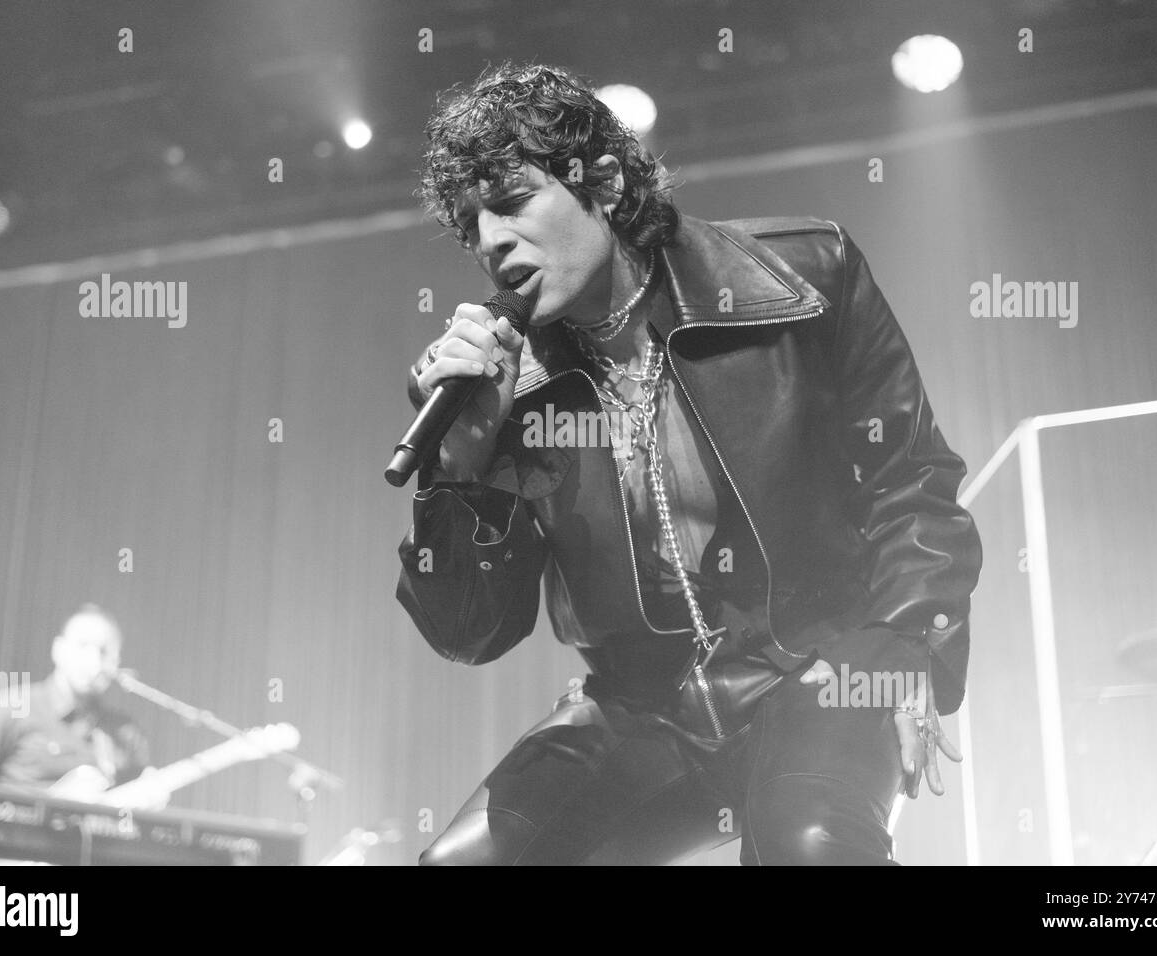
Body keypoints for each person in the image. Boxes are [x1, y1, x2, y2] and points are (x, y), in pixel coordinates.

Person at [395, 62, 982, 865]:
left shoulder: (801, 278)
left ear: (602, 180)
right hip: (641, 709)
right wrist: (460, 465)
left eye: (511, 203)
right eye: (471, 228)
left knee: (806, 847)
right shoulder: (506, 390)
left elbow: (911, 481)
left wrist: (909, 641)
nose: (493, 241)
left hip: (816, 665)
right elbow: (471, 635)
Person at [0, 604, 160, 807]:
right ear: (58, 650)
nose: (93, 659)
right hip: (10, 847)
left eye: (104, 651)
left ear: (116, 661)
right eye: (83, 646)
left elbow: (131, 811)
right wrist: (33, 807)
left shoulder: (124, 731)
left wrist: (148, 801)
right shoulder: (17, 705)